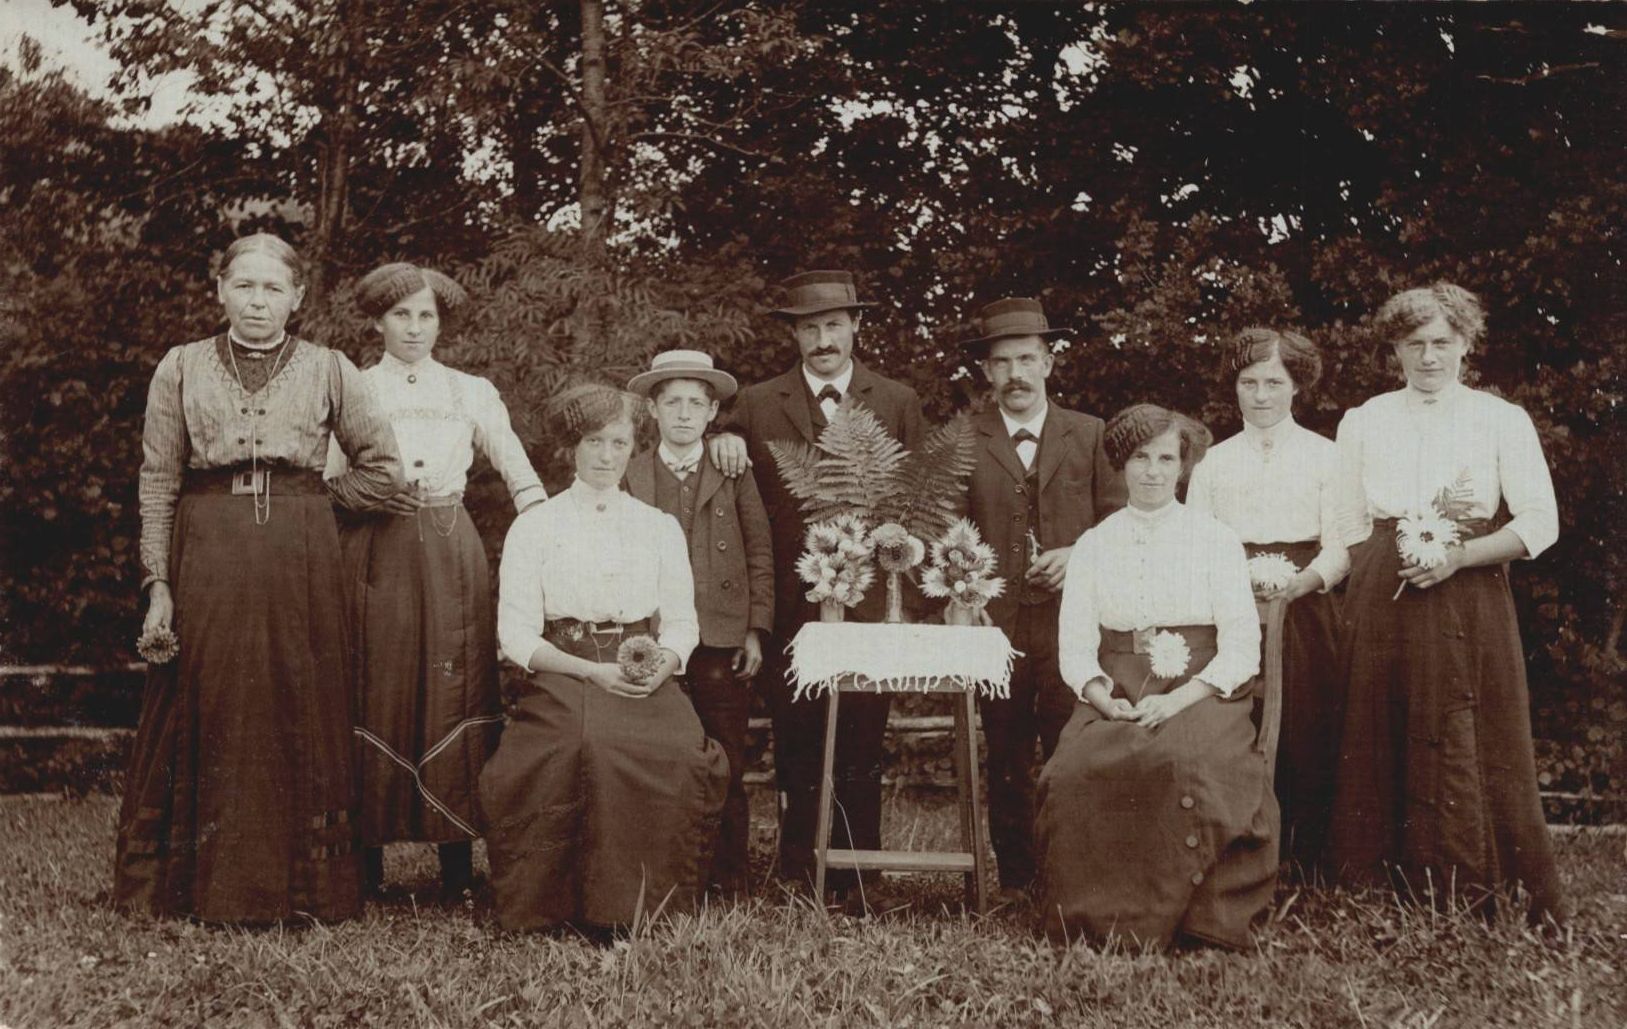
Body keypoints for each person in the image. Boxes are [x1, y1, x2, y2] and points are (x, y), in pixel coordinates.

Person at [118, 232, 403, 923]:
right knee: (209, 694)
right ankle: (192, 884)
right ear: (219, 289)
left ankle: (305, 890)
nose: (256, 301)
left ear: (297, 298)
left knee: (295, 697)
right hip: (206, 544)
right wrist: (158, 581)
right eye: (243, 285)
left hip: (300, 555)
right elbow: (158, 478)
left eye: (273, 288)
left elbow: (384, 472)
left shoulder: (332, 368)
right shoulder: (179, 367)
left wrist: (312, 505)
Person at [1329, 283, 1564, 923]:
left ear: (1465, 344)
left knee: (1464, 722)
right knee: (1381, 723)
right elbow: (1349, 524)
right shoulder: (1364, 419)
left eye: (1442, 343)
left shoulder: (1501, 419)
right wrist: (1380, 570)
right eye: (1414, 345)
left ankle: (1469, 881)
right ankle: (1381, 883)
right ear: (1394, 351)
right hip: (1385, 588)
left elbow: (1541, 522)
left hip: (1471, 589)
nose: (1429, 357)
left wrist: (1461, 555)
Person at [326, 262, 546, 902]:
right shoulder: (355, 387)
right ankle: (367, 863)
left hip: (453, 547)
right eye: (401, 316)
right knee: (380, 684)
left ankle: (456, 861)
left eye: (426, 316)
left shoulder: (471, 390)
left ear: (441, 322)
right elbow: (326, 482)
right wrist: (368, 497)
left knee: (455, 684)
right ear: (377, 321)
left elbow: (519, 472)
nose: (415, 328)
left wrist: (551, 536)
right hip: (377, 550)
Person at [708, 269, 925, 913]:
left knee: (861, 736)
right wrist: (722, 436)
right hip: (789, 599)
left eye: (834, 325)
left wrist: (899, 594)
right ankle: (799, 867)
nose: (823, 339)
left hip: (868, 603)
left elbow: (916, 502)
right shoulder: (754, 401)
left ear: (856, 326)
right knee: (797, 736)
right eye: (809, 327)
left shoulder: (896, 399)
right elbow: (731, 477)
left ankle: (858, 874)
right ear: (795, 334)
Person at [480, 384, 728, 931]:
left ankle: (649, 905)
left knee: (680, 752)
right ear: (571, 447)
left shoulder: (657, 527)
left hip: (642, 668)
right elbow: (516, 636)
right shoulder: (536, 525)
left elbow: (682, 621)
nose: (607, 455)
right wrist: (591, 670)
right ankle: (554, 907)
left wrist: (667, 662)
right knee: (577, 744)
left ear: (634, 446)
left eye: (619, 442)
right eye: (595, 441)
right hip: (564, 671)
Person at [1037, 404, 1274, 949]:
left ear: (1183, 466)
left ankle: (1195, 916)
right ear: (1121, 464)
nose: (1152, 471)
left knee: (1186, 760)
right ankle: (1097, 918)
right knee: (1074, 768)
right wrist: (1103, 698)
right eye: (1140, 457)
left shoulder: (1215, 539)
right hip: (1118, 685)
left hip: (1203, 689)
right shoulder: (1095, 544)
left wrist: (1179, 701)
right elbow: (1075, 647)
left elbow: (1241, 646)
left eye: (1165, 458)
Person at [957, 297, 1120, 905]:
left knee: (1070, 745)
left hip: (1070, 625)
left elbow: (1118, 521)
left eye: (1027, 358)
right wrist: (967, 589)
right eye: (1002, 363)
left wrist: (1077, 553)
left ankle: (1069, 873)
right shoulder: (964, 440)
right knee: (1004, 752)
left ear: (1050, 362)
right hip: (993, 626)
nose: (1015, 374)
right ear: (987, 373)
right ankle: (1018, 879)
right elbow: (945, 530)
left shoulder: (1090, 432)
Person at [1186, 327, 1347, 874]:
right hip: (1228, 605)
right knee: (1234, 720)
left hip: (1305, 608)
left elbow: (1345, 541)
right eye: (1248, 382)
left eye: (1273, 382)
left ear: (1296, 386)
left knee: (1306, 721)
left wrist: (1306, 581)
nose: (1260, 395)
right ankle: (1233, 847)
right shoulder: (1212, 463)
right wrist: (1231, 588)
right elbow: (1197, 538)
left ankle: (1302, 854)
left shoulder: (1328, 457)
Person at [625, 350, 774, 898]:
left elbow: (759, 547)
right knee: (655, 753)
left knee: (726, 756)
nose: (684, 414)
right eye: (672, 403)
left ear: (714, 412)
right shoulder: (632, 471)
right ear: (653, 410)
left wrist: (755, 628)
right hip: (650, 634)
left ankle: (730, 875)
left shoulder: (732, 471)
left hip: (720, 635)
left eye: (696, 403)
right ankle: (661, 872)